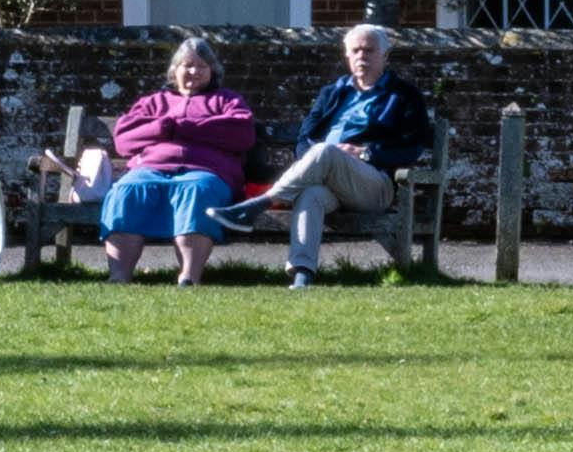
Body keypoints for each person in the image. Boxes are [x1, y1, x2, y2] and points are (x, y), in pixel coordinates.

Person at [244, 23, 445, 282]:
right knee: (311, 194)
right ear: (347, 55)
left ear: (385, 56)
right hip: (328, 181)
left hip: (374, 184)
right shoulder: (332, 93)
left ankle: (261, 202)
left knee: (325, 151)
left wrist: (365, 153)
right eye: (356, 50)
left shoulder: (404, 95)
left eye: (369, 50)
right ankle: (302, 275)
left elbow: (412, 147)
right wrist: (317, 160)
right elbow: (304, 139)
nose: (362, 56)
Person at [86, 41, 266, 285]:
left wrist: (185, 127)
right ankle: (119, 275)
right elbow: (124, 139)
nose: (194, 71)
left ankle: (189, 277)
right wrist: (163, 127)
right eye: (187, 65)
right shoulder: (153, 102)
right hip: (151, 168)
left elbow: (242, 133)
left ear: (212, 71)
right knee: (127, 190)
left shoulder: (226, 100)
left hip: (206, 171)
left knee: (196, 191)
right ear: (175, 70)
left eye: (202, 66)